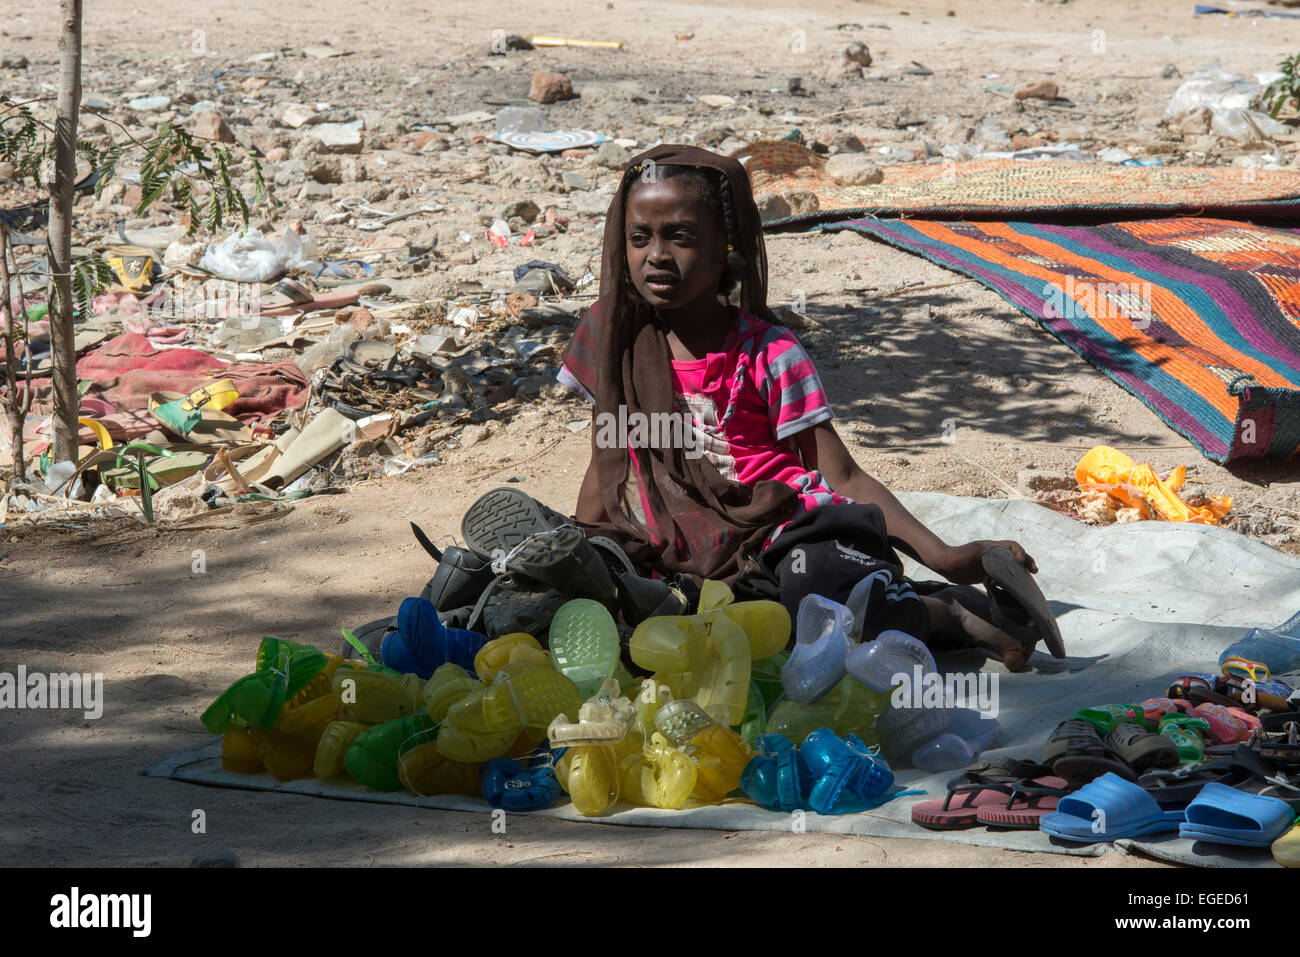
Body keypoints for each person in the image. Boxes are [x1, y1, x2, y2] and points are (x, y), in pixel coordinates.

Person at [558, 144, 1053, 670]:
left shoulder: (768, 351)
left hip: (782, 531)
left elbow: (840, 473)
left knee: (813, 595)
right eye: (640, 238)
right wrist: (582, 544)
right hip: (680, 543)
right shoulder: (614, 337)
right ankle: (897, 604)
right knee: (641, 609)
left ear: (727, 246)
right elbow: (608, 456)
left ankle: (943, 612)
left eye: (680, 236)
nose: (655, 255)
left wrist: (945, 556)